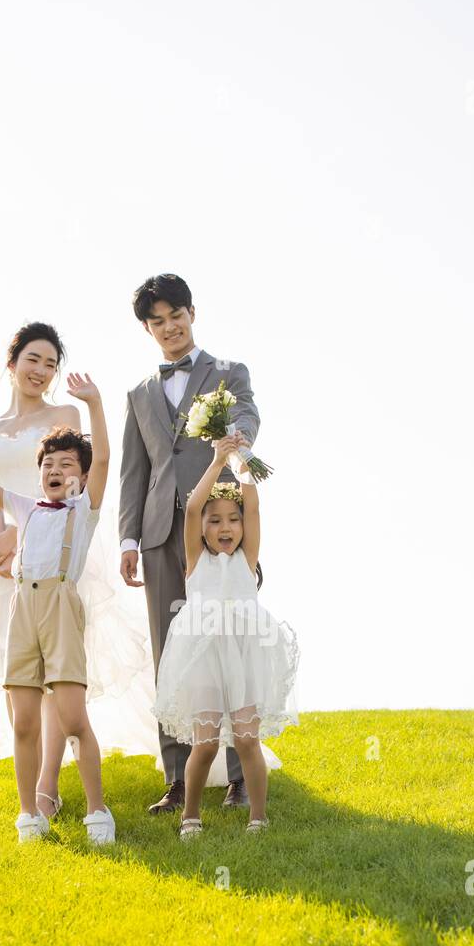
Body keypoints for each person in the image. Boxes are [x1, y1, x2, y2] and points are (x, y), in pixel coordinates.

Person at [0, 321, 156, 817]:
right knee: (16, 677)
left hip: (56, 544)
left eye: (51, 364)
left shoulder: (64, 415)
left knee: (60, 677)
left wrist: (25, 528)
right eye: (33, 360)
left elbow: (83, 474)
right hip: (10, 556)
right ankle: (29, 791)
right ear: (11, 362)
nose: (41, 371)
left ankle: (48, 782)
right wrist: (0, 537)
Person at [0, 397, 116, 847]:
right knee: (25, 723)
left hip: (60, 607)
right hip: (22, 611)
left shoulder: (83, 509)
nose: (55, 470)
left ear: (83, 475)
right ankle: (29, 815)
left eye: (67, 463)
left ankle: (98, 812)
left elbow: (106, 456)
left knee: (73, 718)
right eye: (48, 463)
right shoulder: (26, 508)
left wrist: (93, 403)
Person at [120, 273, 271, 815]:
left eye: (175, 316)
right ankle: (178, 780)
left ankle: (237, 778)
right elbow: (133, 473)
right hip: (162, 535)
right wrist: (127, 538)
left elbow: (247, 414)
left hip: (221, 530)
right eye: (157, 322)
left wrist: (240, 443)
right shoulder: (138, 393)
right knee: (173, 654)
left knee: (231, 645)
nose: (169, 328)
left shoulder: (229, 372)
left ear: (191, 312)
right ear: (147, 328)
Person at [152, 434, 299, 839]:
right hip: (202, 658)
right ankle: (191, 816)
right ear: (201, 528)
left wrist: (239, 456)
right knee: (206, 744)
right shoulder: (196, 560)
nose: (225, 527)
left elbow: (252, 501)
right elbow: (193, 505)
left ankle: (258, 817)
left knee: (248, 740)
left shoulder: (246, 560)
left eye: (232, 520)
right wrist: (217, 460)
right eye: (215, 521)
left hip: (242, 655)